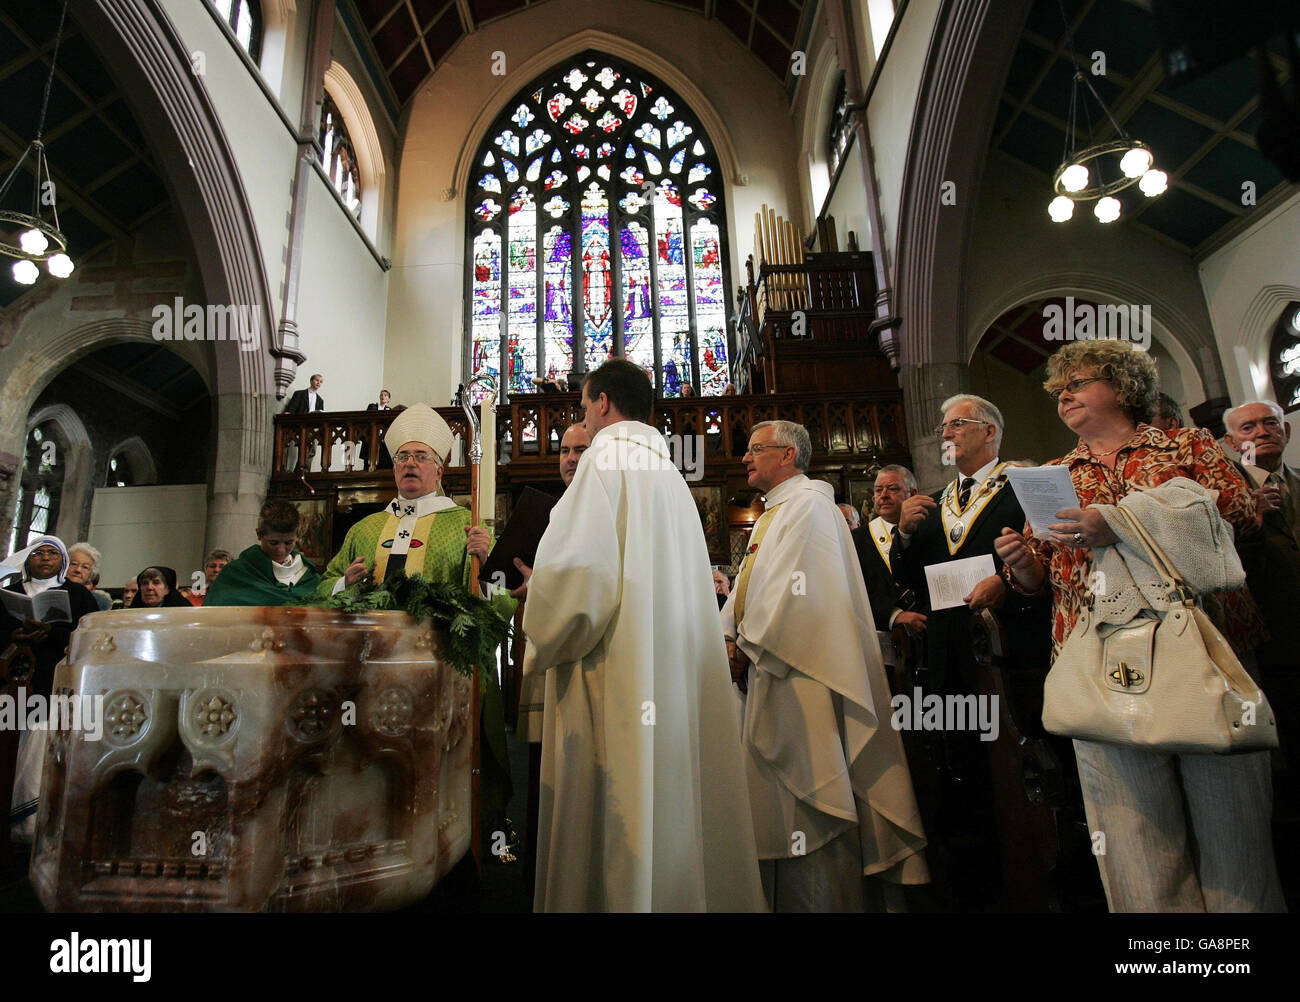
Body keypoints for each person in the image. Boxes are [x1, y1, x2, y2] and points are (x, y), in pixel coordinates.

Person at [994, 340, 1284, 912]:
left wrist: (1120, 523)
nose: (1064, 396)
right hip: (1102, 660)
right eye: (1058, 390)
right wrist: (1022, 565)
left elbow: (1236, 515)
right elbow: (1042, 575)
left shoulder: (1186, 445)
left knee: (1233, 824)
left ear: (1123, 387)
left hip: (1204, 646)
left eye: (1078, 383)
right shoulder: (1053, 474)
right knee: (1130, 830)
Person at [523, 359, 765, 911]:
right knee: (668, 799)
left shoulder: (603, 460)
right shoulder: (670, 475)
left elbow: (579, 586)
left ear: (603, 403)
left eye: (583, 407)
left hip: (615, 677)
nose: (583, 421)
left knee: (617, 815)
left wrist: (538, 610)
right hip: (670, 683)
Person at [721, 420, 928, 911]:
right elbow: (750, 582)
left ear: (788, 455)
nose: (745, 458)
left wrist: (744, 643)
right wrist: (727, 632)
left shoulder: (809, 507)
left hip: (801, 671)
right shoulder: (777, 511)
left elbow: (796, 594)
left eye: (755, 449)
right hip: (771, 665)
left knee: (812, 786)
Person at [314, 403, 510, 843]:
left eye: (422, 457)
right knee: (376, 765)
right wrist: (344, 583)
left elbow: (500, 602)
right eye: (403, 456)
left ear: (439, 470)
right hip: (371, 673)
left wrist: (485, 563)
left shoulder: (466, 527)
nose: (410, 464)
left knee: (437, 766)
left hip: (440, 673)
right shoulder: (366, 529)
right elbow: (323, 587)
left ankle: (448, 842)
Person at [891, 393, 1042, 909]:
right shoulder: (935, 502)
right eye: (944, 427)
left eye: (958, 424)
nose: (946, 434)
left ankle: (1030, 867)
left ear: (990, 431)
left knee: (1014, 758)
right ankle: (971, 876)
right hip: (946, 649)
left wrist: (1008, 580)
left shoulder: (1022, 484)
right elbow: (909, 580)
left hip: (1009, 646)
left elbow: (1051, 551)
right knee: (960, 760)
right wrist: (905, 536)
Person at [513, 421, 589, 897]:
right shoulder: (553, 510)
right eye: (564, 451)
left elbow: (589, 590)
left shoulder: (599, 509)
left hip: (581, 663)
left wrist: (537, 586)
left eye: (581, 449)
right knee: (542, 773)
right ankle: (541, 879)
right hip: (545, 655)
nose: (570, 459)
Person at [1223, 399, 1300, 847]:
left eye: (1271, 423)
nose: (1262, 431)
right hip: (1270, 643)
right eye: (1248, 427)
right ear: (1232, 443)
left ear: (1286, 431)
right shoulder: (1224, 496)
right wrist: (1249, 519)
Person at [2, 536, 99, 842]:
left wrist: (52, 633)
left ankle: (29, 825)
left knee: (38, 749)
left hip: (53, 685)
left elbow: (89, 637)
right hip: (12, 685)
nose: (44, 558)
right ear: (27, 560)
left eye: (52, 554)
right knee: (10, 746)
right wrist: (14, 635)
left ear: (62, 562)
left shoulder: (78, 595)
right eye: (38, 553)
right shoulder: (10, 593)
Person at [852, 465, 927, 636]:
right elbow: (853, 589)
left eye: (892, 489)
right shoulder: (857, 539)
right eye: (878, 490)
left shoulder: (931, 528)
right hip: (887, 634)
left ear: (913, 493)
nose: (883, 495)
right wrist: (894, 616)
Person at [204, 500, 323, 606]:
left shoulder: (309, 576)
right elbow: (214, 616)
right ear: (259, 534)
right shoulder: (235, 573)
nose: (281, 550)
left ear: (298, 535)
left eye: (288, 543)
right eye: (274, 543)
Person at [66, 542, 112, 611]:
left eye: (85, 567)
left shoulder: (98, 600)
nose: (78, 570)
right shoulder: (53, 590)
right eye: (74, 564)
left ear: (91, 574)